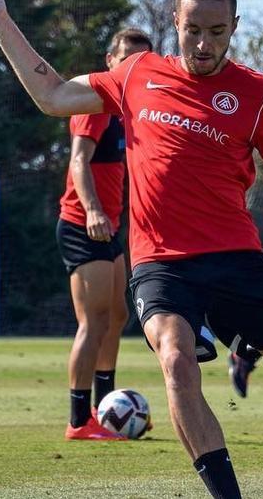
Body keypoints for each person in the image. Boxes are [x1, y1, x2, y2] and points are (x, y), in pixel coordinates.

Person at [0, 0, 263, 498]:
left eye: (217, 31)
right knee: (175, 358)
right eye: (193, 29)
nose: (203, 43)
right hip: (160, 262)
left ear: (234, 26)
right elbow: (52, 95)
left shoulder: (257, 94)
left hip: (236, 258)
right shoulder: (136, 72)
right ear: (175, 21)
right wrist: (3, 24)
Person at [58, 29, 153, 440]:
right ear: (110, 60)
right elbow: (79, 161)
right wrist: (94, 210)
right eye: (126, 58)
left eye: (141, 60)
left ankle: (106, 408)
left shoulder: (132, 107)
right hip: (84, 224)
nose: (133, 67)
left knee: (117, 316)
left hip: (111, 228)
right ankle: (79, 421)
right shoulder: (96, 102)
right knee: (93, 321)